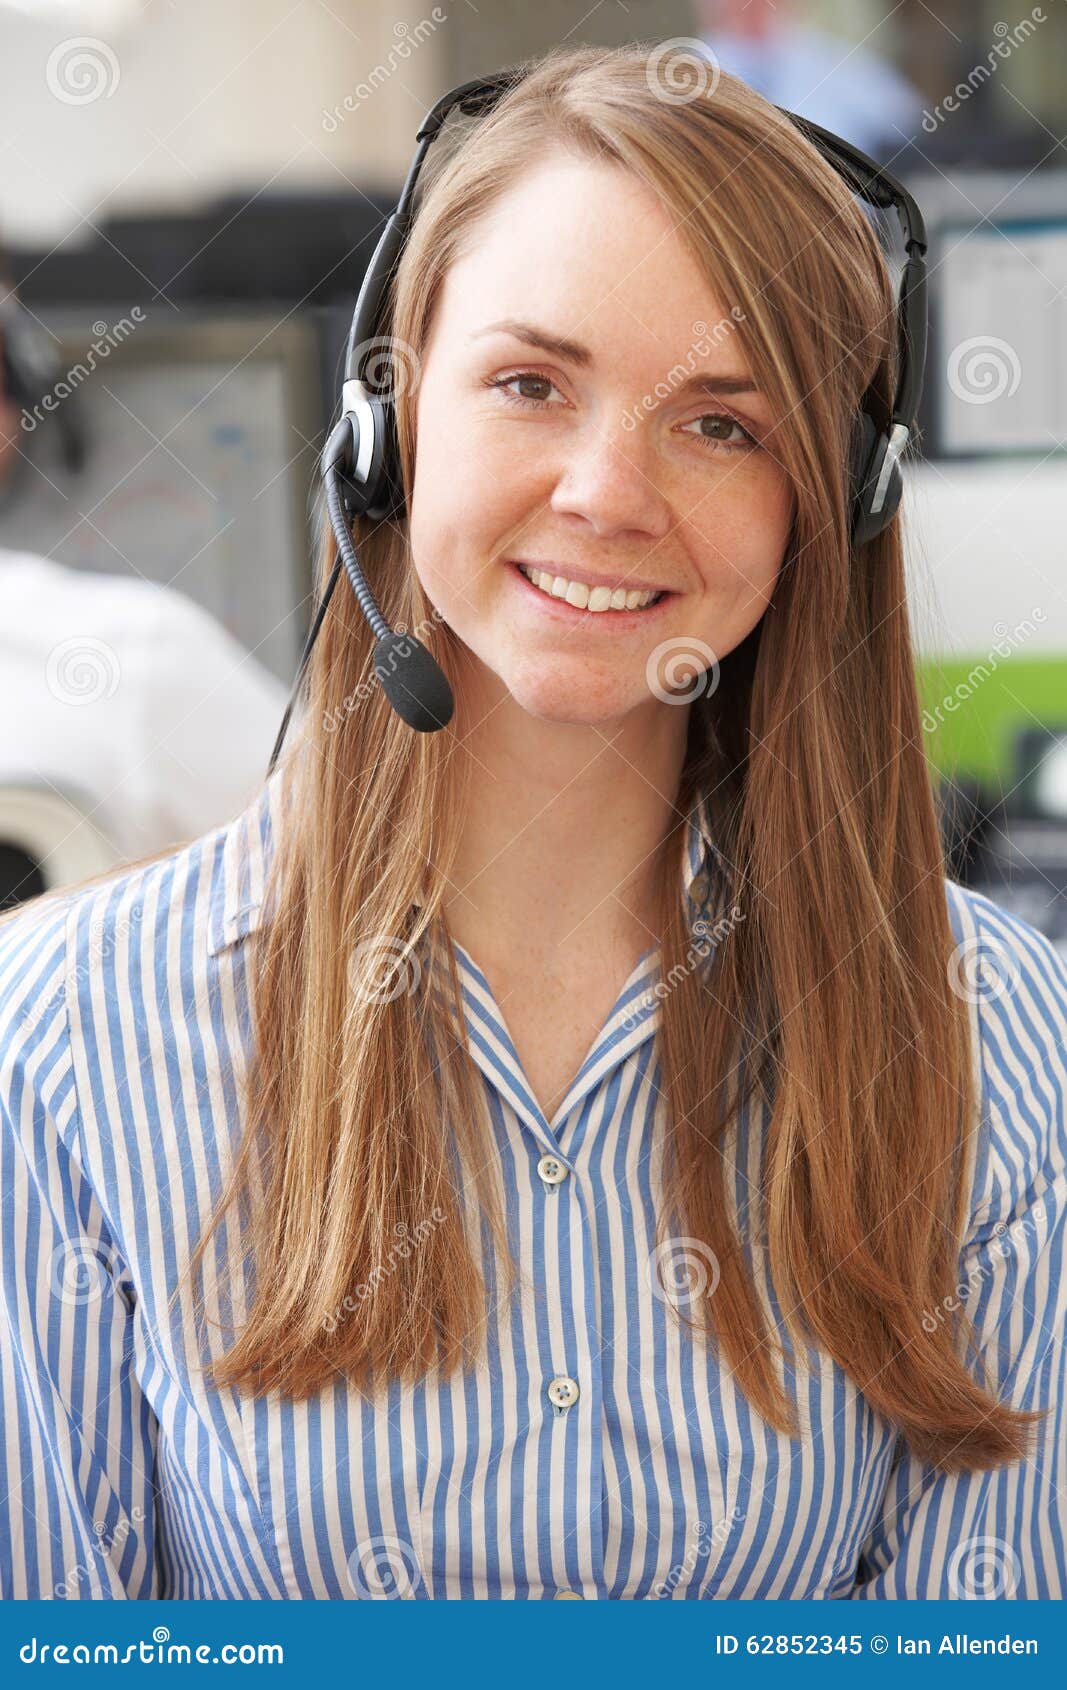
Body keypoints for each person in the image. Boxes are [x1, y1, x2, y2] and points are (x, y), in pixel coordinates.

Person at [0, 44, 1064, 1602]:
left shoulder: (1000, 1047)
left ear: (836, 501)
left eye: (722, 423)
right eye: (529, 384)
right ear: (387, 423)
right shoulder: (71, 1046)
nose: (603, 489)